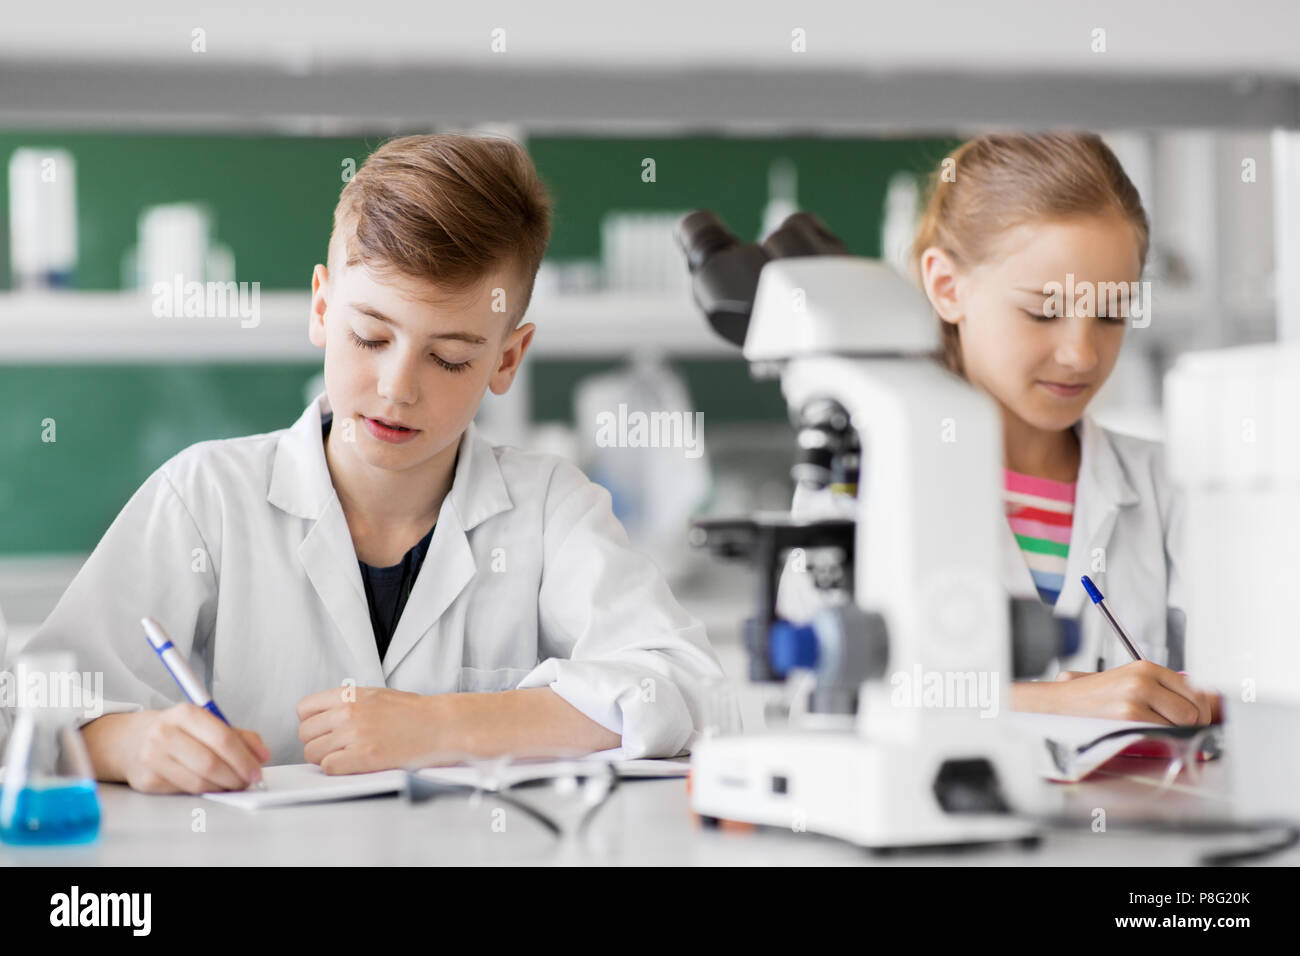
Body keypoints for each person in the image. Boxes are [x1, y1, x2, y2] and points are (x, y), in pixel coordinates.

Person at [9, 133, 733, 794]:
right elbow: (27, 704)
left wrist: (445, 726)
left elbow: (687, 688)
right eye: (370, 337)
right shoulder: (207, 497)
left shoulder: (549, 509)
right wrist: (127, 742)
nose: (397, 388)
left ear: (507, 359)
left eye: (449, 357)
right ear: (323, 310)